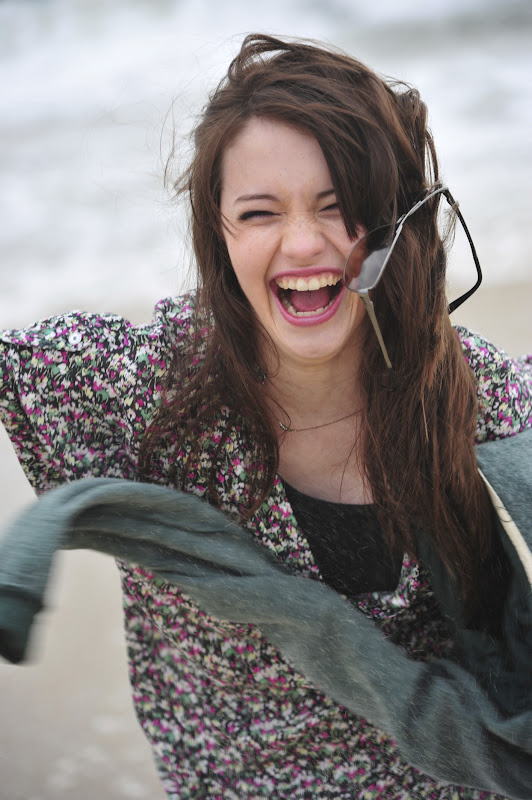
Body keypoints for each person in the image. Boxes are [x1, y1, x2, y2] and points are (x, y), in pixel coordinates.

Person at [1, 33, 531, 800]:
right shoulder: (136, 389)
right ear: (218, 234)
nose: (304, 243)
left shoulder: (478, 400)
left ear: (398, 221)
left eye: (340, 207)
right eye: (259, 213)